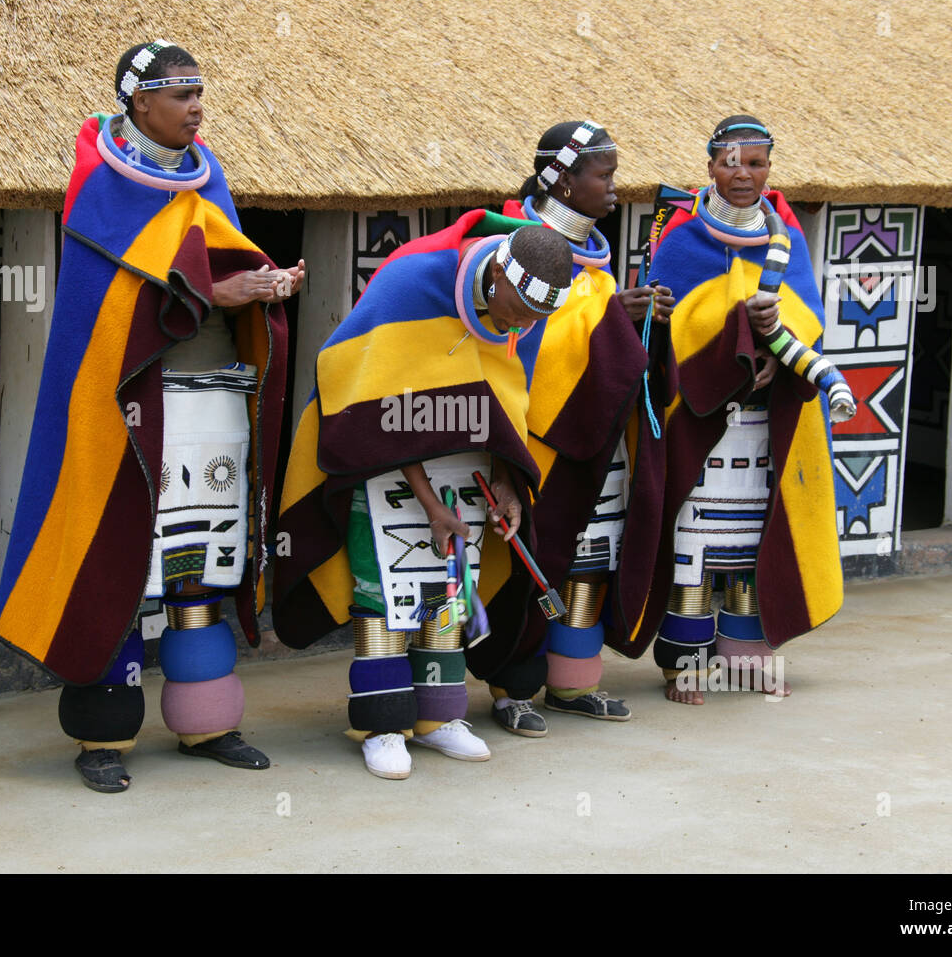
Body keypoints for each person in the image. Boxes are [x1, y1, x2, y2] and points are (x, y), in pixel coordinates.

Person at [0, 40, 303, 791]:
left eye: (200, 91)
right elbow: (114, 306)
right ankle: (103, 741)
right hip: (130, 409)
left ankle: (209, 726)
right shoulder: (100, 182)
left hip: (213, 399)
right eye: (180, 93)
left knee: (203, 562)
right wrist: (217, 292)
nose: (197, 106)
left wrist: (261, 286)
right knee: (123, 562)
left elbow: (216, 262)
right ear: (139, 102)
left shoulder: (209, 173)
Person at [274, 215, 574, 779]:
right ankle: (382, 725)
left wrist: (505, 482)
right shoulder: (414, 280)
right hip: (385, 470)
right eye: (519, 310)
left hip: (466, 476)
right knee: (386, 596)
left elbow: (502, 411)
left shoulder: (513, 317)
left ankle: (439, 720)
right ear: (497, 276)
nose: (522, 324)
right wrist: (429, 503)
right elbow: (370, 400)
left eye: (536, 318)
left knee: (446, 599)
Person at [642, 114, 845, 704]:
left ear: (768, 168)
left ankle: (745, 658)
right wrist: (726, 343)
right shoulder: (680, 238)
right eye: (731, 162)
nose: (743, 174)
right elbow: (665, 329)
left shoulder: (787, 239)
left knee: (755, 539)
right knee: (693, 543)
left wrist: (777, 346)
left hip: (764, 420)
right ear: (710, 165)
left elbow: (807, 315)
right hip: (701, 422)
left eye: (755, 163)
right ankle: (684, 666)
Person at [485, 120, 675, 736]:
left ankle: (573, 683)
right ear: (564, 181)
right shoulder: (511, 244)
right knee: (533, 563)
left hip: (597, 432)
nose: (615, 188)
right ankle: (511, 688)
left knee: (589, 558)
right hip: (538, 434)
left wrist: (637, 323)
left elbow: (594, 328)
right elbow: (510, 334)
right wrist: (608, 317)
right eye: (605, 176)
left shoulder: (594, 251)